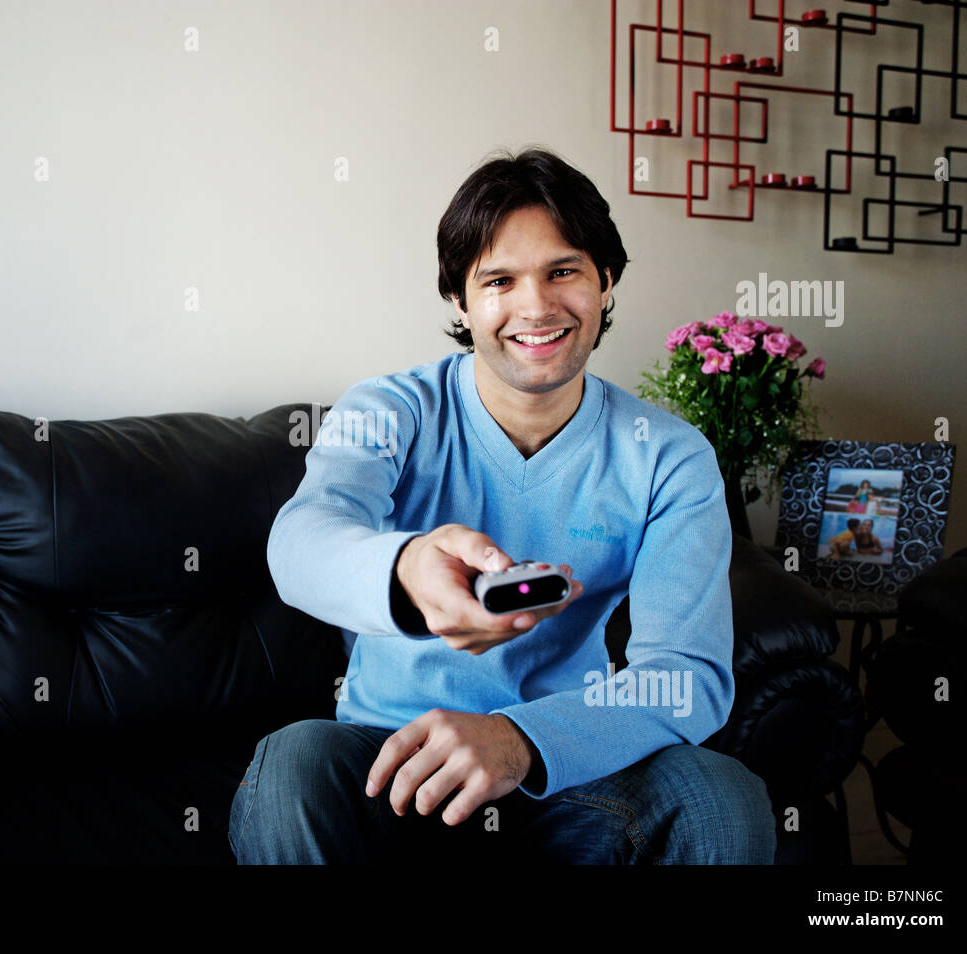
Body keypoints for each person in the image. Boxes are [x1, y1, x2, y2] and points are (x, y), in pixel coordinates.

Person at [229, 147, 775, 865]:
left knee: (719, 796)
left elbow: (688, 677)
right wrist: (406, 570)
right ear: (459, 298)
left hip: (573, 770)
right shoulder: (386, 411)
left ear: (605, 282)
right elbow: (299, 543)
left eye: (563, 271)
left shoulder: (669, 456)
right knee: (292, 766)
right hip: (393, 759)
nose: (537, 306)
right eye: (499, 280)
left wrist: (521, 740)